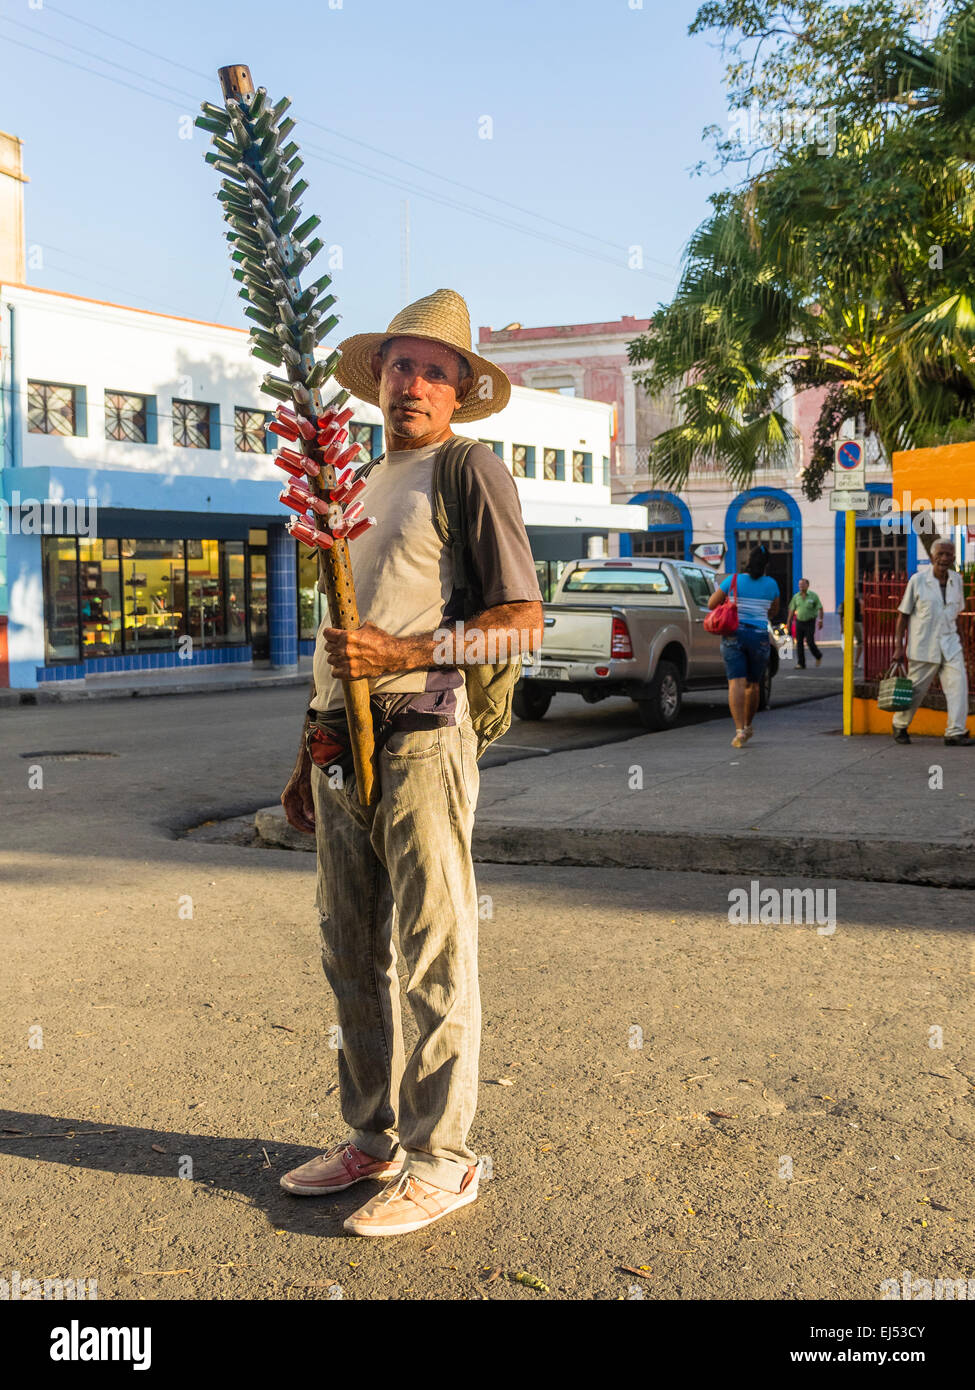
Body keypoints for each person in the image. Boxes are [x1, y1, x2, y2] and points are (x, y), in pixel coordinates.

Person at [278, 289, 544, 1235]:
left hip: (426, 736)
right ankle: (373, 1138)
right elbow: (335, 633)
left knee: (432, 950)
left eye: (435, 370)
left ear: (462, 389)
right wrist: (309, 745)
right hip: (342, 749)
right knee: (348, 950)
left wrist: (403, 652)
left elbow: (521, 625)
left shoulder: (469, 470)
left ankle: (444, 1159)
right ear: (376, 380)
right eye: (399, 365)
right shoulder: (350, 488)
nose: (413, 384)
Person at [891, 540, 971, 746]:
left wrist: (963, 642)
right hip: (924, 645)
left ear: (953, 558)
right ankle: (900, 724)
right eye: (941, 554)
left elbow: (957, 614)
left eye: (949, 555)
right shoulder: (918, 581)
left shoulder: (957, 580)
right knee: (916, 690)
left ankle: (955, 732)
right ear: (932, 556)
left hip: (951, 645)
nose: (944, 558)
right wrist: (899, 647)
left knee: (958, 687)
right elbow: (903, 615)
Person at [708, 544, 780, 748]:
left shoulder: (733, 580)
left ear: (748, 561)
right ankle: (748, 725)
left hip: (734, 634)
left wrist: (729, 603)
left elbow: (712, 604)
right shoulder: (772, 584)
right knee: (753, 684)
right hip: (759, 636)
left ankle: (739, 731)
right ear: (766, 565)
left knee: (736, 683)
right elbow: (773, 610)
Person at [787, 577, 824, 668]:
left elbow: (820, 608)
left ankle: (818, 655)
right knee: (799, 643)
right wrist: (789, 622)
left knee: (810, 641)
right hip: (799, 622)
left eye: (803, 584)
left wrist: (820, 620)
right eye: (800, 584)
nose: (801, 586)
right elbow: (792, 610)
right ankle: (801, 663)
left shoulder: (813, 596)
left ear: (807, 585)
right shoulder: (796, 597)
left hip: (810, 622)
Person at [838, 590, 863, 667]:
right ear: (856, 593)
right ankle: (856, 662)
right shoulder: (860, 602)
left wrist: (842, 627)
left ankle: (849, 661)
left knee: (847, 643)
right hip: (857, 623)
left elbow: (841, 615)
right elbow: (863, 613)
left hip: (847, 623)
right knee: (860, 642)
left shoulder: (844, 602)